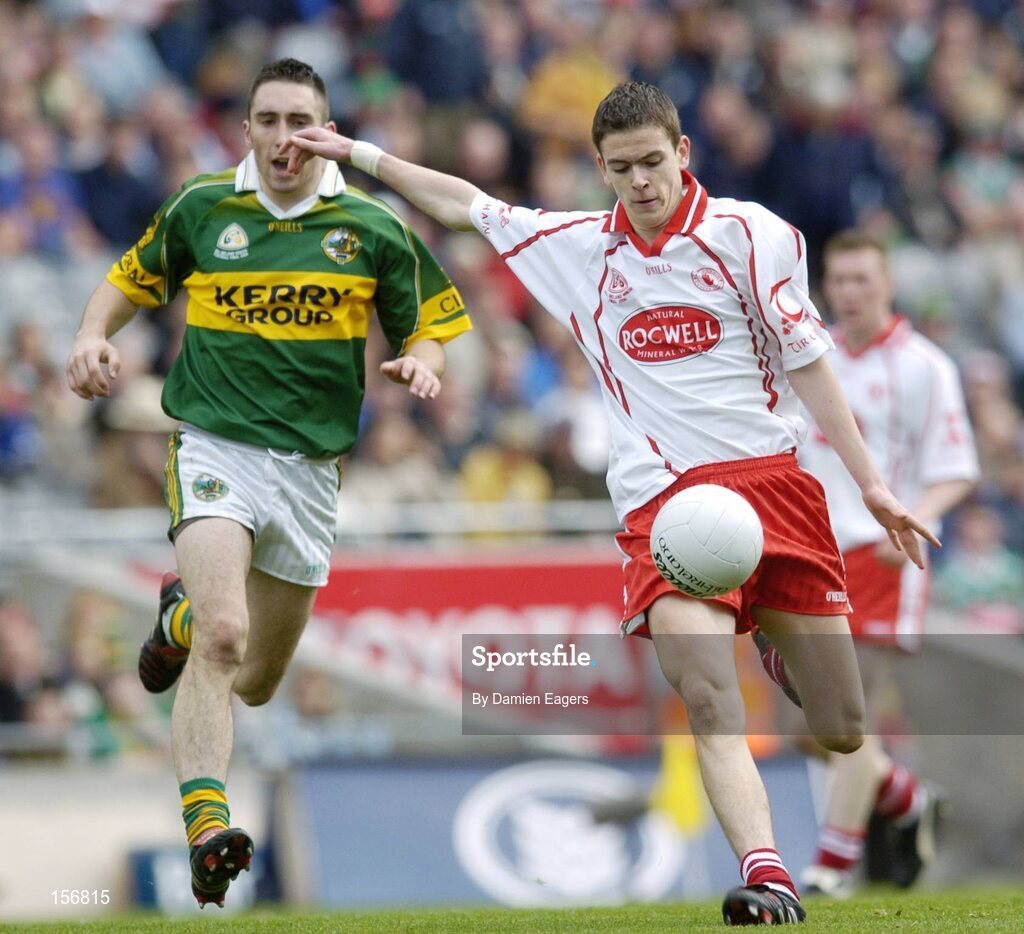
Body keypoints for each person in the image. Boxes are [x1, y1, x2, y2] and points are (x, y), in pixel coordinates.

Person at [282, 81, 939, 926]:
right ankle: (768, 877)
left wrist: (872, 483)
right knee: (706, 696)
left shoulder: (756, 236)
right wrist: (362, 157)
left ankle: (782, 657)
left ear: (683, 153)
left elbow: (810, 363)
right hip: (666, 510)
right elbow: (466, 205)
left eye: (653, 163)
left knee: (844, 729)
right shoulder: (580, 248)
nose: (640, 182)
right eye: (621, 168)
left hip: (773, 488)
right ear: (600, 167)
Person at [65, 58, 470, 908]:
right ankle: (208, 830)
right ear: (245, 128)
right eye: (269, 121)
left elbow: (431, 324)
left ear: (328, 131)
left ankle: (175, 611)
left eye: (302, 122)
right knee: (222, 636)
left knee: (254, 676)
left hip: (312, 475)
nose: (286, 139)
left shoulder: (371, 226)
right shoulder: (203, 207)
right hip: (214, 446)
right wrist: (90, 336)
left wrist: (422, 366)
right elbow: (126, 282)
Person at [793, 230, 978, 897]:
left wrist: (911, 521)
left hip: (877, 554)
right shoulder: (809, 357)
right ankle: (906, 797)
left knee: (853, 716)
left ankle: (831, 867)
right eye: (838, 280)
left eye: (861, 280)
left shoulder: (924, 366)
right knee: (806, 725)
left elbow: (955, 468)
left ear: (888, 283)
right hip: (810, 552)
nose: (847, 293)